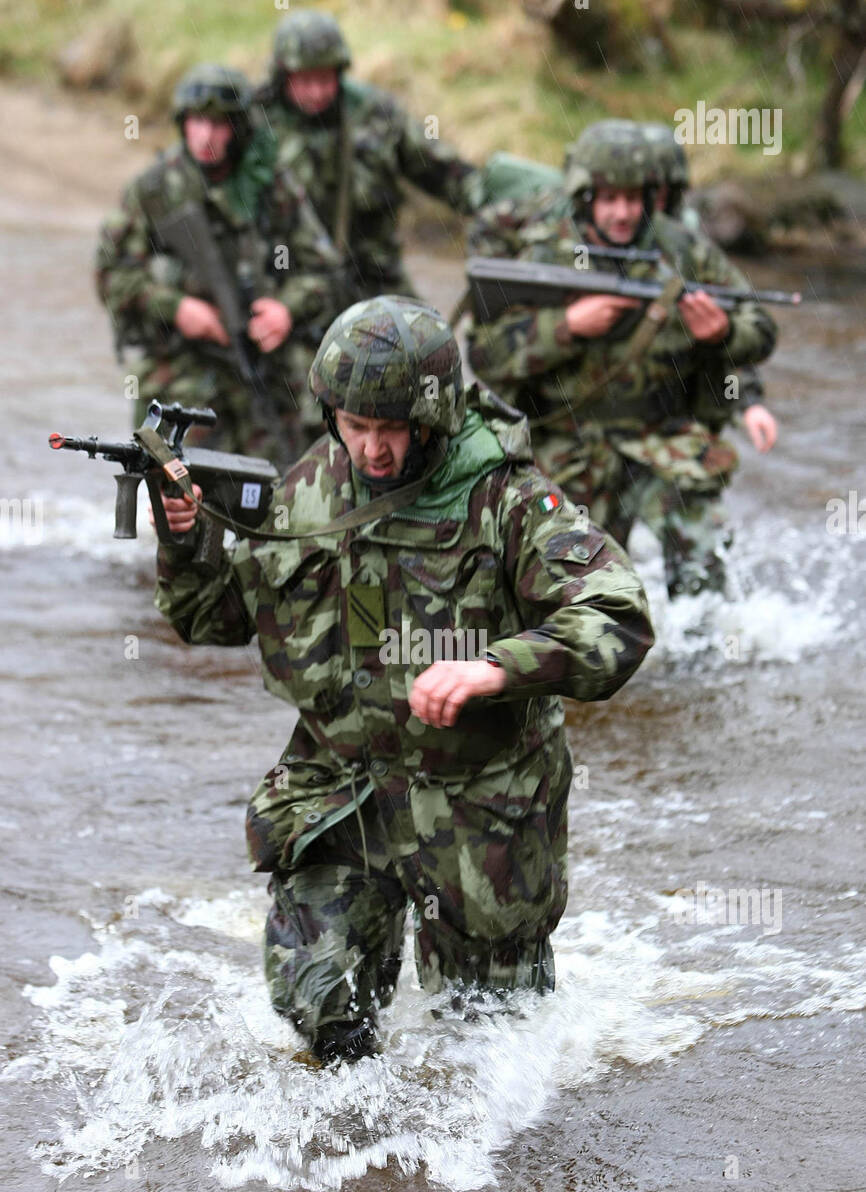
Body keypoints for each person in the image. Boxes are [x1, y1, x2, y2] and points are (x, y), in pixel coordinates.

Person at [152, 296, 654, 1063]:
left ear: (434, 418)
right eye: (356, 427)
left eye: (392, 431)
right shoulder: (311, 489)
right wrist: (185, 543)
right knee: (318, 1004)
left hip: (479, 801)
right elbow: (215, 617)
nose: (374, 450)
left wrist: (495, 666)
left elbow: (617, 612)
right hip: (346, 789)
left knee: (491, 1042)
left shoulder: (507, 496)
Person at [466, 119, 779, 600]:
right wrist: (567, 326)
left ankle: (703, 652)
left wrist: (724, 333)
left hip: (662, 437)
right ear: (585, 196)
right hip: (567, 442)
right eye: (610, 198)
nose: (623, 213)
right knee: (567, 588)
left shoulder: (680, 247)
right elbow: (486, 355)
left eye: (634, 199)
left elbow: (760, 326)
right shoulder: (539, 251)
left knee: (703, 561)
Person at [96, 63, 349, 465]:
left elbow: (326, 270)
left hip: (261, 365)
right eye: (197, 122)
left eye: (218, 125)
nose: (206, 137)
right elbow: (112, 275)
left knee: (277, 482)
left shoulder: (271, 185)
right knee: (177, 490)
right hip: (181, 362)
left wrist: (287, 309)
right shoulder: (156, 190)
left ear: (239, 128)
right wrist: (177, 309)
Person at [256, 9, 483, 298]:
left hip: (374, 279)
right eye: (305, 80)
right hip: (290, 286)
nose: (316, 92)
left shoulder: (374, 114)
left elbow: (443, 171)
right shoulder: (254, 123)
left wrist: (497, 206)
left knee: (425, 338)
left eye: (325, 79)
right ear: (282, 75)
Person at [641, 121, 779, 456]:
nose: (640, 205)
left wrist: (748, 403)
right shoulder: (577, 241)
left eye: (654, 192)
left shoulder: (689, 248)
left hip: (674, 419)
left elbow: (729, 327)